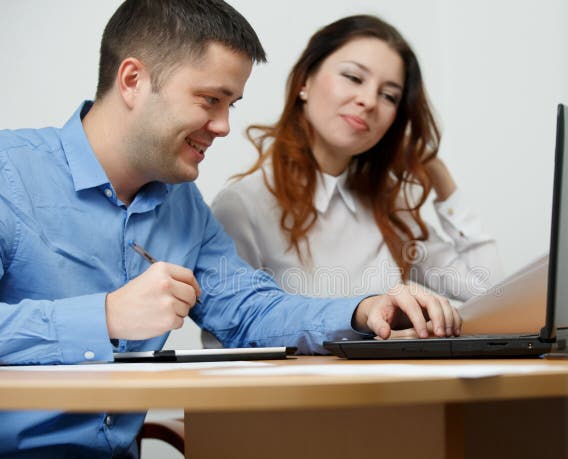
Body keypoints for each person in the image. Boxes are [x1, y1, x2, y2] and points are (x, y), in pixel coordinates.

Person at [0, 2, 461, 459]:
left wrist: (362, 310)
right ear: (133, 80)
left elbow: (249, 309)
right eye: (209, 100)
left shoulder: (181, 204)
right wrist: (102, 317)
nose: (222, 126)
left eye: (231, 104)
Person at [207, 15, 503, 334]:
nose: (369, 101)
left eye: (389, 96)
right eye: (353, 77)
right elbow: (232, 332)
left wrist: (441, 179)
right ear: (304, 81)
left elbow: (491, 294)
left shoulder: (391, 211)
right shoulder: (243, 206)